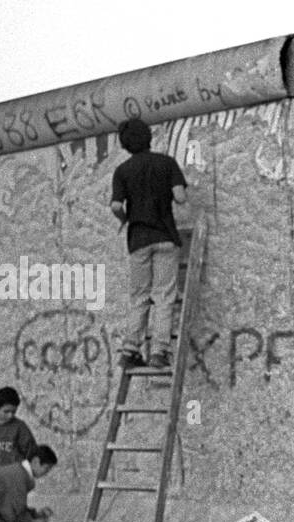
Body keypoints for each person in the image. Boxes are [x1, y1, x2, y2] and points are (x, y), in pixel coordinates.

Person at [110, 118, 188, 370]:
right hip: (165, 236)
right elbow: (180, 197)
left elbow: (116, 206)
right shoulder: (166, 163)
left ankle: (131, 349)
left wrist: (128, 218)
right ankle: (159, 352)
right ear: (149, 137)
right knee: (165, 296)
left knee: (140, 297)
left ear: (125, 145)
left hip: (138, 240)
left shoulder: (122, 171)